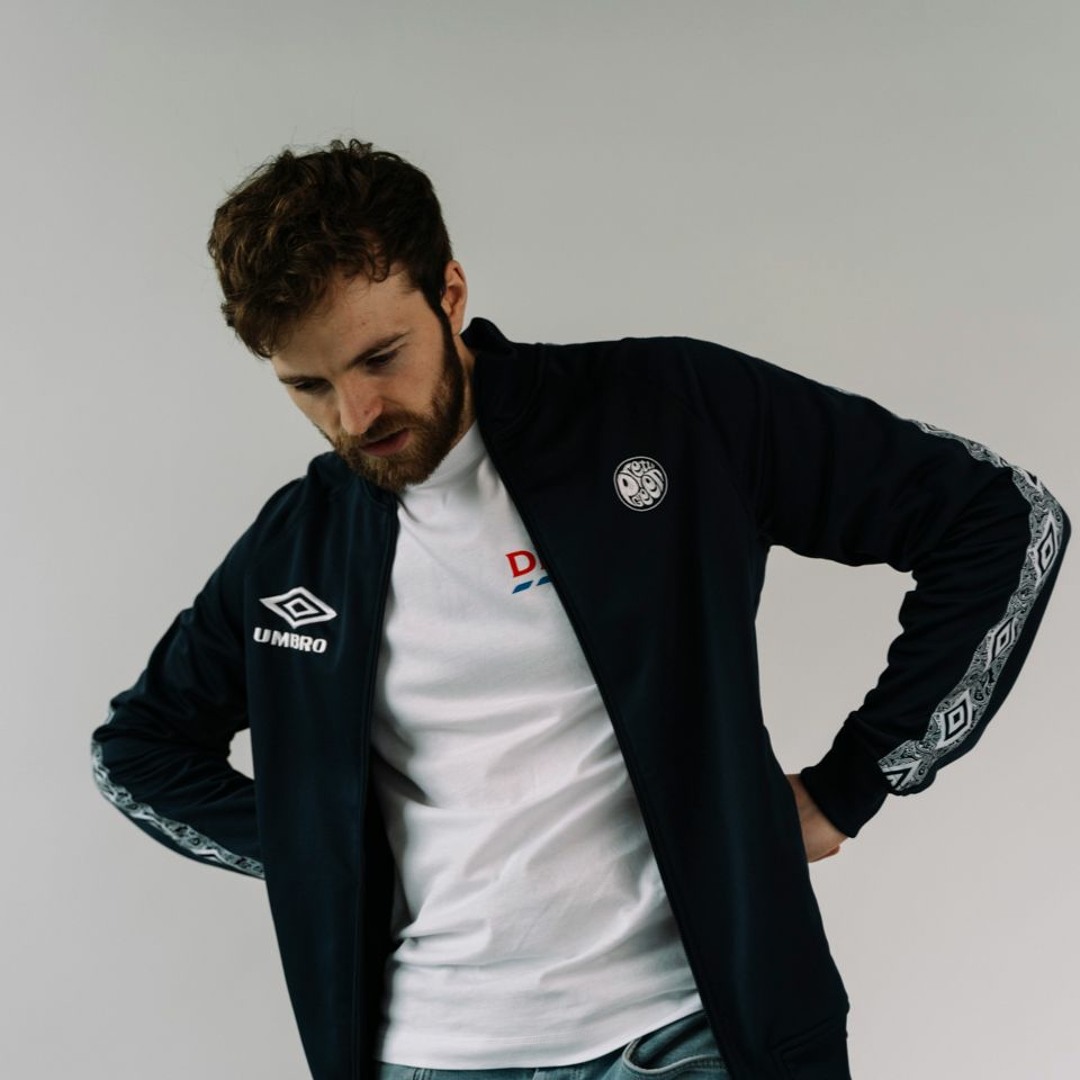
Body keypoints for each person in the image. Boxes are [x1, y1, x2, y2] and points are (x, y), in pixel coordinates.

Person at [91, 139, 1070, 1080]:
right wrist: (327, 851)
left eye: (381, 356)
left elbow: (1001, 519)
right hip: (429, 1053)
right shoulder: (296, 549)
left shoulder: (668, 411)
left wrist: (855, 781)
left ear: (451, 294)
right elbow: (139, 750)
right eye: (308, 385)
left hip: (693, 1033)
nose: (356, 415)